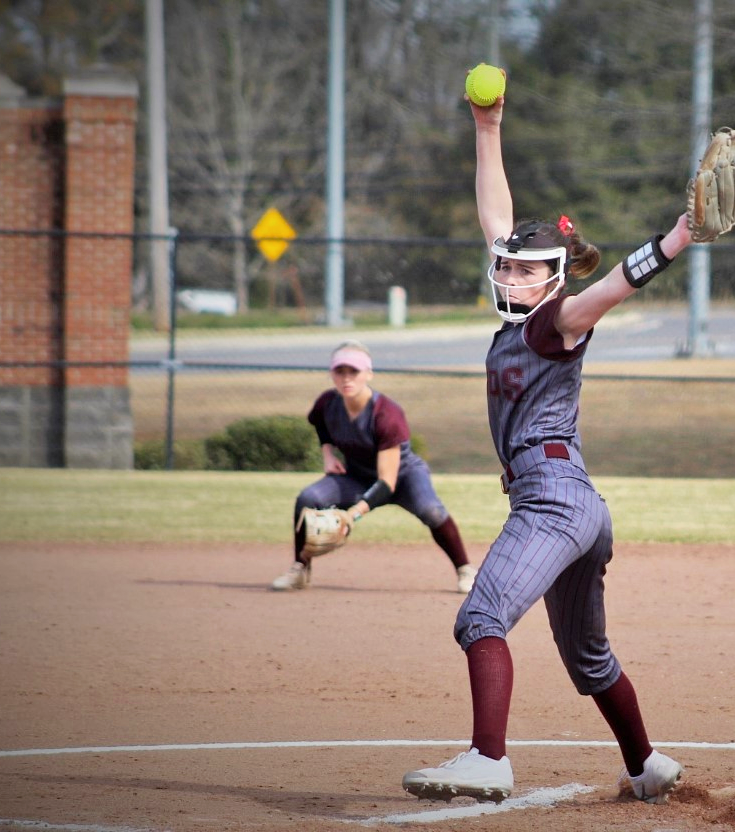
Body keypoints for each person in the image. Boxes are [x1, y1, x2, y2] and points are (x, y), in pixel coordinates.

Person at [400, 83, 694, 806]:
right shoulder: (517, 321)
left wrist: (676, 241)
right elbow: (496, 218)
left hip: (553, 504)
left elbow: (609, 291)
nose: (508, 273)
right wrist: (488, 128)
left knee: (481, 618)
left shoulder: (553, 319)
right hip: (579, 507)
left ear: (555, 279)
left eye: (525, 269)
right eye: (505, 266)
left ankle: (488, 759)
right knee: (589, 658)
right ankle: (645, 765)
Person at [270, 340, 476, 594]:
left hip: (403, 477)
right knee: (308, 499)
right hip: (356, 476)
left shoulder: (386, 414)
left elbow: (387, 482)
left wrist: (351, 515)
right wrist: (327, 454)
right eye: (340, 371)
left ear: (368, 373)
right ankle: (300, 569)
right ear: (332, 374)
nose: (347, 378)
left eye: (353, 371)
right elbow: (320, 424)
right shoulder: (327, 403)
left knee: (431, 511)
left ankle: (465, 569)